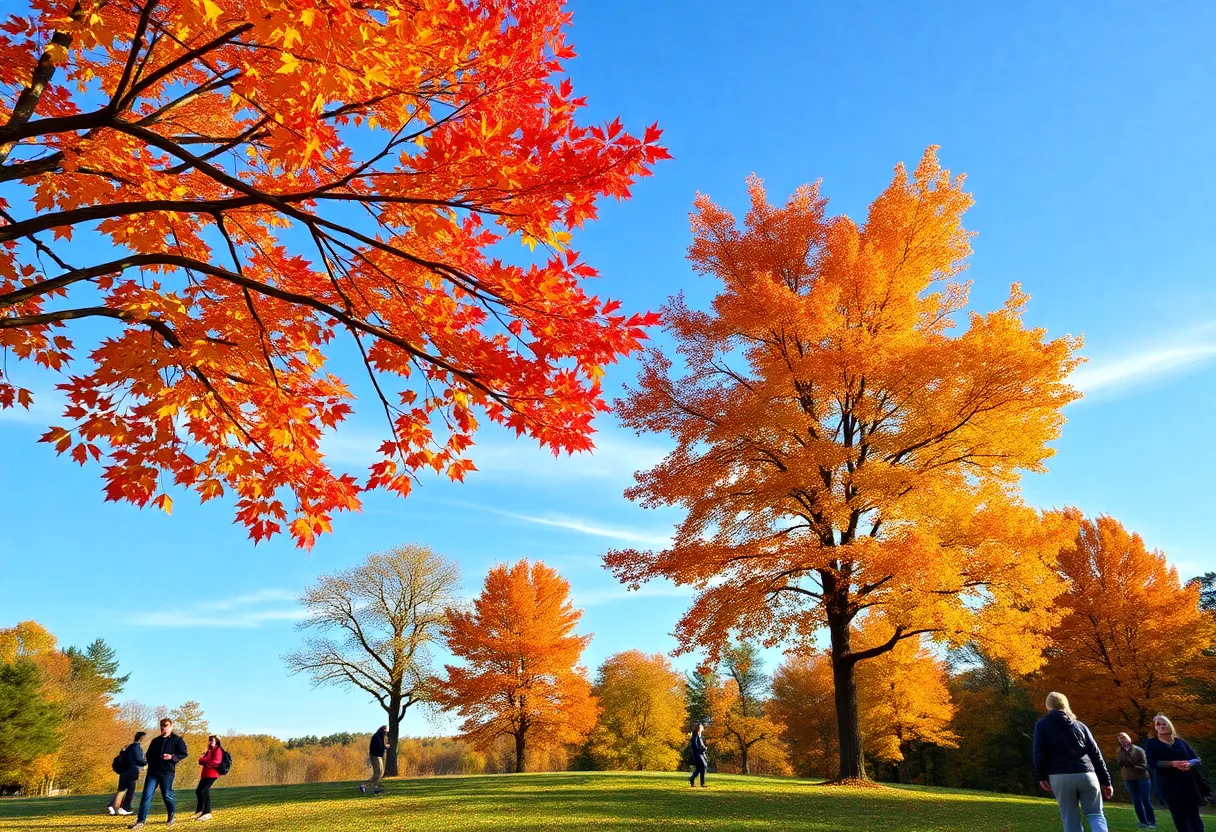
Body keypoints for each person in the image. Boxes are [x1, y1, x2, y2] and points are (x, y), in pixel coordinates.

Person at [1032, 691, 1113, 832]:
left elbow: (1039, 753)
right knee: (1096, 814)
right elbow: (1096, 753)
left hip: (1060, 774)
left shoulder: (1042, 725)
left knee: (1070, 818)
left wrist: (1041, 776)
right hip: (1086, 773)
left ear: (1048, 706)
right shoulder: (1080, 726)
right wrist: (1106, 780)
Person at [1144, 714, 1206, 832]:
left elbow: (1197, 759)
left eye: (1164, 724)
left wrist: (1189, 763)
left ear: (1169, 725)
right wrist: (1172, 764)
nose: (1161, 726)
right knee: (1179, 816)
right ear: (1154, 728)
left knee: (1194, 816)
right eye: (1158, 724)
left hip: (1188, 783)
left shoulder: (1179, 742)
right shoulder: (1152, 743)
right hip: (1168, 785)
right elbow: (1151, 763)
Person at [128, 718, 188, 830]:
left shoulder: (177, 740)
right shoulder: (155, 741)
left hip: (167, 772)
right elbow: (148, 755)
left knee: (167, 795)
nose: (163, 728)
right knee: (146, 795)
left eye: (166, 725)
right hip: (153, 773)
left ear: (171, 727)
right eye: (161, 726)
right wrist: (151, 764)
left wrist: (172, 757)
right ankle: (140, 821)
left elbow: (184, 753)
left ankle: (171, 814)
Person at [1117, 732, 1157, 830]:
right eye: (1120, 739)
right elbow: (1120, 763)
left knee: (1145, 799)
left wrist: (1133, 765)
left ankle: (1151, 822)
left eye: (1123, 738)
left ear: (1129, 739)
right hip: (1128, 778)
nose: (1122, 740)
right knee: (1136, 800)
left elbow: (1144, 765)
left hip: (1142, 778)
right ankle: (1142, 821)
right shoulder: (1119, 751)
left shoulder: (1138, 750)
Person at [108, 732, 147, 816]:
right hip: (131, 771)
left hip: (124, 771)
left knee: (121, 790)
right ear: (141, 738)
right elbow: (139, 759)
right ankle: (125, 808)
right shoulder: (136, 747)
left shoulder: (129, 747)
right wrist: (146, 762)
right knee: (130, 791)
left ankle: (112, 806)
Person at [193, 736, 223, 821]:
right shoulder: (209, 750)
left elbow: (216, 762)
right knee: (199, 791)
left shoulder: (218, 750)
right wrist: (204, 760)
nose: (211, 742)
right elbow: (200, 761)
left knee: (204, 791)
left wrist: (205, 760)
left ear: (217, 741)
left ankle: (207, 812)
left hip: (212, 774)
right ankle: (200, 810)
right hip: (205, 774)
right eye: (210, 740)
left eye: (213, 741)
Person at [359, 726, 390, 795]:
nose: (385, 733)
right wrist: (385, 747)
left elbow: (380, 747)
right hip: (375, 756)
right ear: (382, 730)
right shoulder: (376, 737)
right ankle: (365, 785)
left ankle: (375, 787)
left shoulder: (379, 736)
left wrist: (384, 747)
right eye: (385, 731)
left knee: (381, 773)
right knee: (377, 772)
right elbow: (378, 747)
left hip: (378, 756)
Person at [688, 722, 708, 788]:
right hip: (698, 753)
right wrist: (701, 748)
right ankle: (701, 782)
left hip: (700, 753)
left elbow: (699, 744)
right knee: (704, 766)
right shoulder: (695, 735)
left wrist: (704, 747)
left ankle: (692, 779)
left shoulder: (699, 735)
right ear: (699, 728)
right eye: (701, 727)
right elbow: (694, 744)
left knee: (699, 768)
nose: (702, 728)